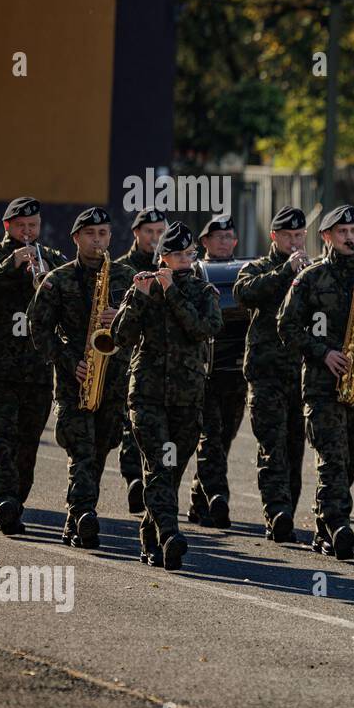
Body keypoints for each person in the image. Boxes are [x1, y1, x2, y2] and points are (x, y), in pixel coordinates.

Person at [276, 204, 354, 560]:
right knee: (332, 459)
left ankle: (325, 526)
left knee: (351, 458)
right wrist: (323, 352)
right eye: (342, 232)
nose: (350, 237)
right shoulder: (310, 278)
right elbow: (287, 327)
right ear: (326, 236)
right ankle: (338, 524)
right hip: (323, 386)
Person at [111, 221, 223, 570]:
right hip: (147, 396)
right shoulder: (143, 289)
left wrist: (172, 291)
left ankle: (150, 535)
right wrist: (140, 299)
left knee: (170, 471)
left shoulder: (204, 292)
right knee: (160, 464)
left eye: (188, 254)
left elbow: (203, 329)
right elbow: (121, 337)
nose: (185, 260)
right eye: (176, 255)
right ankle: (171, 533)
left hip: (187, 399)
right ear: (163, 257)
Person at [28, 207, 135, 547]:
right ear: (76, 238)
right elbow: (39, 328)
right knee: (82, 450)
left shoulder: (125, 277)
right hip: (75, 379)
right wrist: (67, 360)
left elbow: (142, 326)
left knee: (100, 449)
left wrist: (120, 316)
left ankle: (75, 520)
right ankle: (85, 512)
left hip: (113, 380)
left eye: (103, 234)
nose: (98, 240)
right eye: (91, 234)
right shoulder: (56, 280)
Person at [0, 196, 67, 535]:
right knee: (0, 437)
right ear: (8, 226)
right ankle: (3, 499)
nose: (28, 232)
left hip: (37, 370)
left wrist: (48, 284)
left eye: (34, 226)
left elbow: (71, 299)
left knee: (27, 442)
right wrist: (9, 266)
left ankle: (17, 499)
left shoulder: (52, 259)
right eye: (21, 226)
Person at [233, 205, 310, 542]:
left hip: (301, 372)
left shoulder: (312, 272)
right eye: (288, 236)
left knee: (295, 447)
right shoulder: (258, 268)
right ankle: (276, 511)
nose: (294, 242)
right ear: (274, 236)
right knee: (272, 444)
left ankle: (288, 512)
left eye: (299, 235)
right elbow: (244, 293)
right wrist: (285, 273)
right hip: (266, 373)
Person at [188, 214, 249, 529]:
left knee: (224, 438)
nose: (224, 242)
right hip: (206, 372)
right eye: (218, 237)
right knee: (210, 437)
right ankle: (217, 498)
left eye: (229, 236)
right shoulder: (197, 274)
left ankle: (199, 500)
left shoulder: (246, 273)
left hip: (236, 372)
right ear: (205, 242)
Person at [116, 207, 169, 515]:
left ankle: (146, 480)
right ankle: (134, 477)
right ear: (136, 233)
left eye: (160, 232)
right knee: (129, 424)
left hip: (155, 362)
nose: (155, 238)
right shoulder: (122, 268)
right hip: (124, 355)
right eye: (149, 232)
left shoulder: (169, 267)